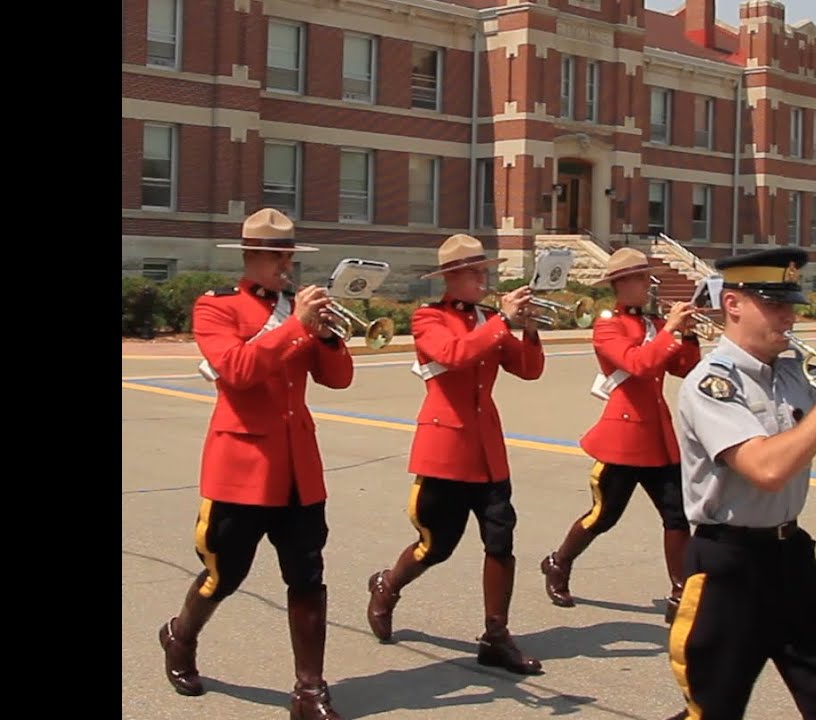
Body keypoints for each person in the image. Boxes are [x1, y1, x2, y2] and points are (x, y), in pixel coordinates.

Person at [158, 208, 353, 720]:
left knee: (307, 575)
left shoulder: (295, 309)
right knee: (224, 573)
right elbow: (238, 371)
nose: (285, 264)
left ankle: (309, 690)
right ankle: (181, 635)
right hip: (242, 468)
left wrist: (326, 337)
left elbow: (338, 379)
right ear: (249, 257)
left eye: (288, 254)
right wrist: (295, 326)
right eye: (274, 255)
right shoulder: (216, 306)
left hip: (298, 468)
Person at [665, 247, 816, 720]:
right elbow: (766, 469)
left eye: (791, 305)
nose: (789, 317)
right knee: (715, 708)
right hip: (729, 565)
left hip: (791, 557)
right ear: (733, 304)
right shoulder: (712, 383)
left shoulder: (791, 369)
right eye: (775, 305)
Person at [364, 234, 546, 675]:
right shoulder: (429, 317)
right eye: (475, 273)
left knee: (501, 541)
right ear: (451, 278)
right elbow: (454, 354)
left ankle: (496, 635)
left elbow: (528, 369)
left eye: (484, 271)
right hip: (445, 447)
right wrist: (500, 322)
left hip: (487, 449)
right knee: (437, 544)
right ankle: (389, 585)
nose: (484, 280)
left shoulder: (487, 319)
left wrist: (528, 328)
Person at [539, 247, 702, 622]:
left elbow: (682, 368)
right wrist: (670, 331)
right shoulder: (608, 325)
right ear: (622, 284)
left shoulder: (654, 323)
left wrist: (688, 335)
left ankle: (681, 593)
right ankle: (559, 561)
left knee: (677, 515)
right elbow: (637, 365)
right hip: (624, 438)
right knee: (604, 516)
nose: (648, 285)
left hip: (658, 437)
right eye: (642, 278)